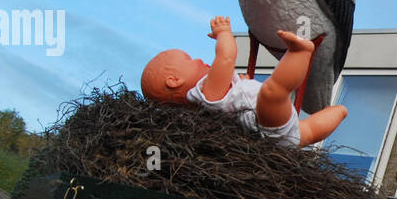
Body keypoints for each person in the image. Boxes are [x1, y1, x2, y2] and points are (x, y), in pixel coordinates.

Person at [140, 16, 347, 148]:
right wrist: (224, 34)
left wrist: (240, 84)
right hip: (266, 120)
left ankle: (339, 111)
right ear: (174, 80)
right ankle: (301, 53)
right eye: (188, 59)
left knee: (308, 132)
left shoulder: (204, 107)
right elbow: (226, 57)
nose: (197, 59)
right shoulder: (204, 91)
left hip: (275, 134)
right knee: (273, 92)